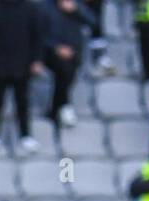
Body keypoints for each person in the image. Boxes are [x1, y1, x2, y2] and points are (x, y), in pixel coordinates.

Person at [0, 0, 44, 155]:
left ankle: (25, 135)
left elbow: (37, 36)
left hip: (22, 64)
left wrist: (37, 60)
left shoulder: (30, 8)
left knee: (22, 102)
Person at [42, 0, 95, 129]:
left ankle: (56, 110)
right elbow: (39, 33)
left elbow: (93, 21)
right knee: (64, 72)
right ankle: (64, 105)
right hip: (52, 53)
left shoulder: (76, 5)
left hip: (74, 52)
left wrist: (76, 10)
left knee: (67, 77)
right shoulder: (44, 6)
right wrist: (57, 48)